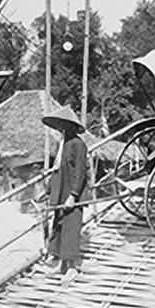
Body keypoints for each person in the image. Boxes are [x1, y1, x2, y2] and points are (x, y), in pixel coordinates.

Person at [41, 106, 88, 285]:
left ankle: (72, 268)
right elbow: (58, 171)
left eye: (63, 125)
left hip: (71, 193)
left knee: (71, 227)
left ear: (71, 126)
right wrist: (49, 192)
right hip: (61, 191)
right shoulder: (63, 144)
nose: (61, 129)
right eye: (59, 126)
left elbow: (80, 172)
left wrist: (74, 195)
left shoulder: (78, 144)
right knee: (59, 225)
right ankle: (59, 262)